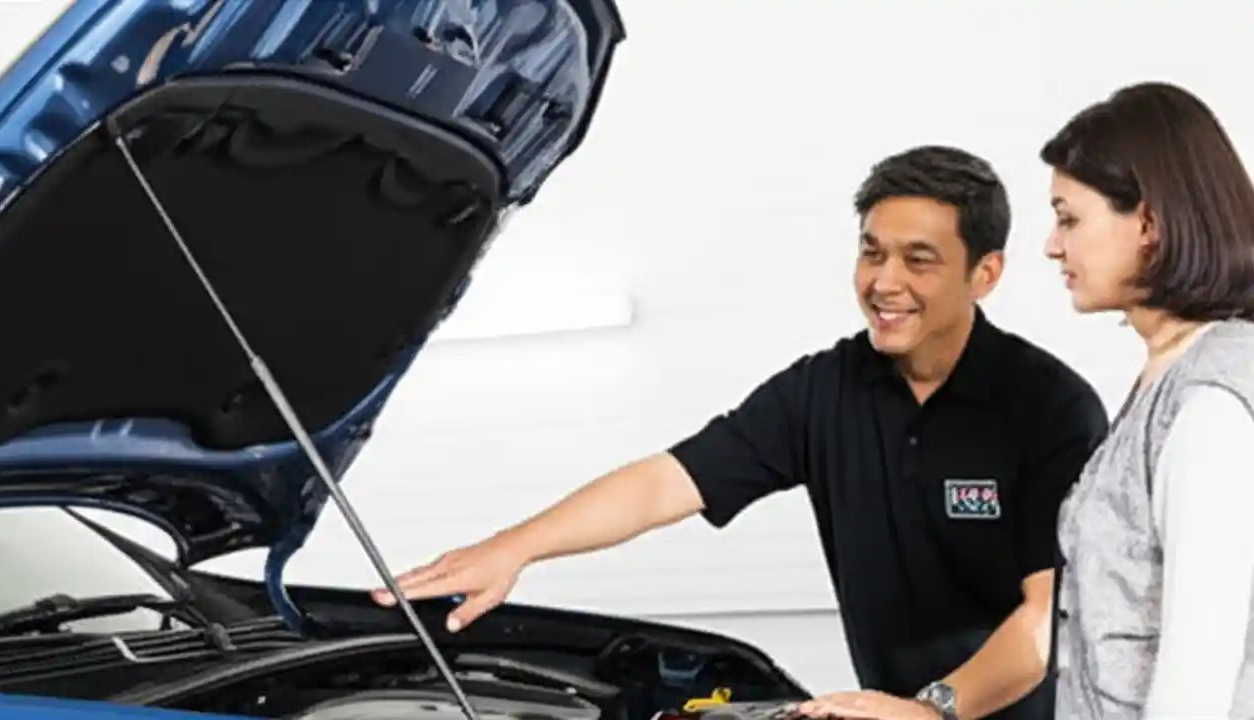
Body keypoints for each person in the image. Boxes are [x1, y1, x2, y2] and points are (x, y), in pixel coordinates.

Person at [372, 146, 1110, 720]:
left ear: (985, 274)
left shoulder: (1047, 408)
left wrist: (931, 707)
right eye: (871, 251)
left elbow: (1047, 619)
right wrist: (514, 549)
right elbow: (668, 481)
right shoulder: (824, 390)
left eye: (919, 261)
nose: (884, 282)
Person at [1039, 81, 1254, 719]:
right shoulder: (1168, 377)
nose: (1053, 245)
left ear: (1150, 223)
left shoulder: (1210, 404)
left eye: (1069, 218)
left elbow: (1195, 690)